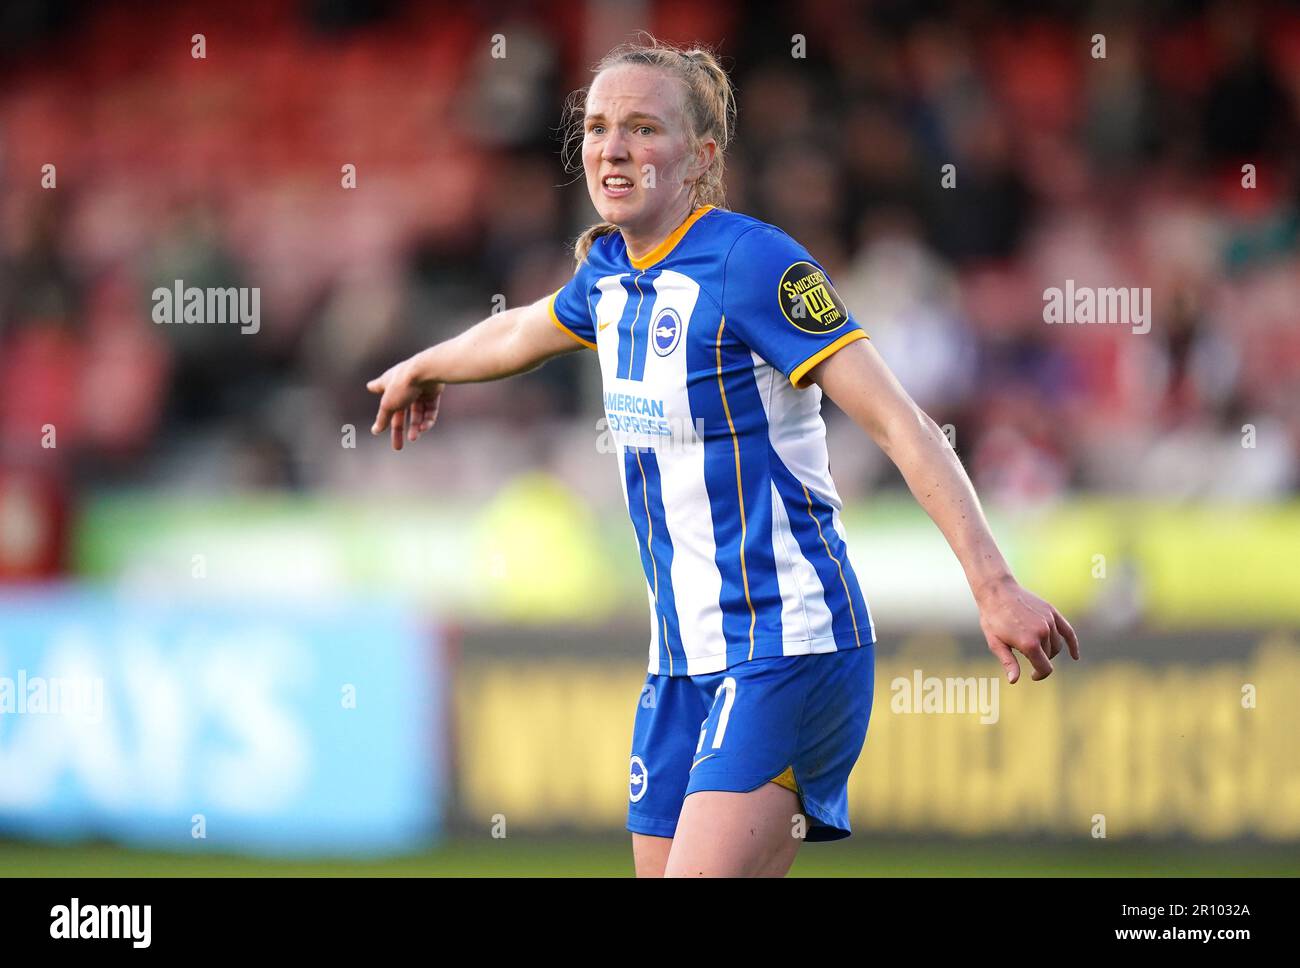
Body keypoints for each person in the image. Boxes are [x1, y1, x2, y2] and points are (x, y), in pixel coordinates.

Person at [366, 38, 1080, 878]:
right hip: (681, 661)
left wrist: (992, 585)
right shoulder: (606, 273)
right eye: (598, 127)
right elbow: (523, 329)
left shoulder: (753, 263)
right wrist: (425, 364)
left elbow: (899, 421)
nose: (614, 148)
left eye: (643, 128)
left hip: (788, 642)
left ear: (701, 156)